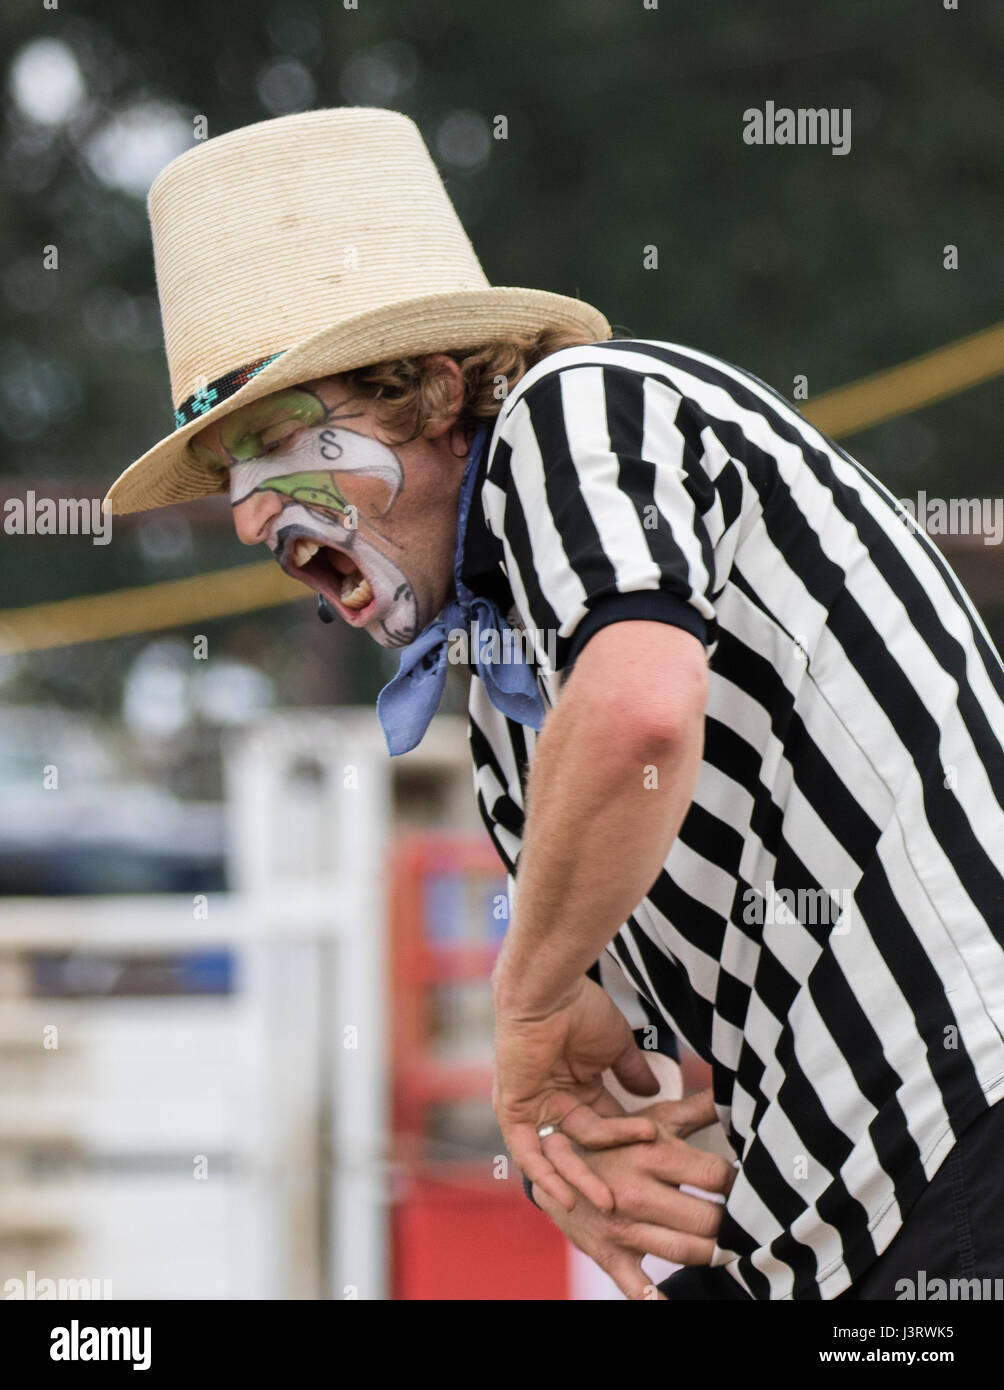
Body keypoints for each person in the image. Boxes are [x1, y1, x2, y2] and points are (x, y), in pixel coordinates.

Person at [104, 106, 1004, 1301]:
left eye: (273, 440)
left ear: (429, 392)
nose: (251, 517)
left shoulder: (575, 408)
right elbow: (613, 1014)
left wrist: (521, 1015)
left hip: (963, 1136)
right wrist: (569, 1094)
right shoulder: (505, 705)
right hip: (851, 1218)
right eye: (229, 476)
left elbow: (640, 713)